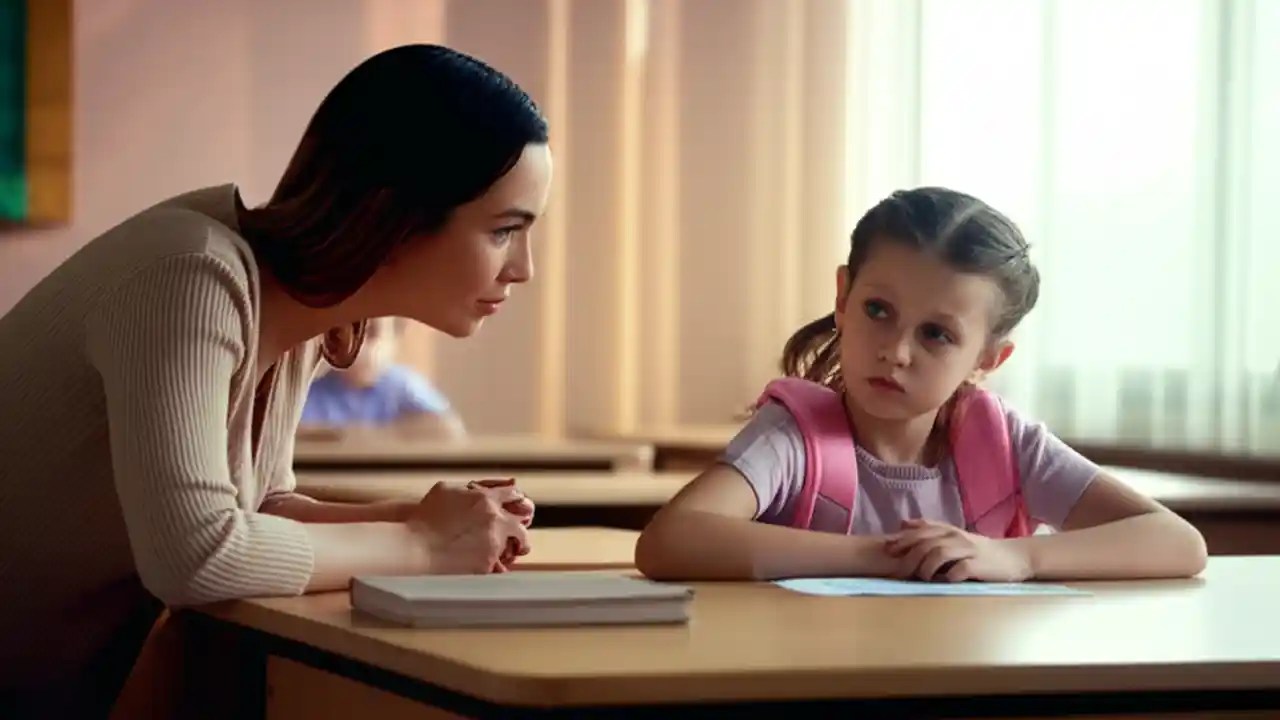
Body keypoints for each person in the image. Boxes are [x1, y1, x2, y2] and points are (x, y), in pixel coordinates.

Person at [0, 44, 549, 716]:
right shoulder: (188, 274)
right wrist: (424, 544)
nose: (523, 268)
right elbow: (198, 556)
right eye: (504, 231)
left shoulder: (300, 315)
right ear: (394, 215)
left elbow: (256, 508)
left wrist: (420, 518)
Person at [636, 187, 1207, 584]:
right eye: (878, 309)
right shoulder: (794, 437)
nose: (896, 351)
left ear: (988, 358)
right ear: (842, 298)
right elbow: (670, 541)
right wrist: (887, 556)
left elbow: (1178, 543)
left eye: (936, 333)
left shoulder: (1006, 445)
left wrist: (1018, 557)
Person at [299, 315, 467, 438]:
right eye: (351, 334)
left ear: (394, 338)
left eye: (372, 333)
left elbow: (449, 431)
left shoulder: (404, 387)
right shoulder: (310, 389)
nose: (360, 345)